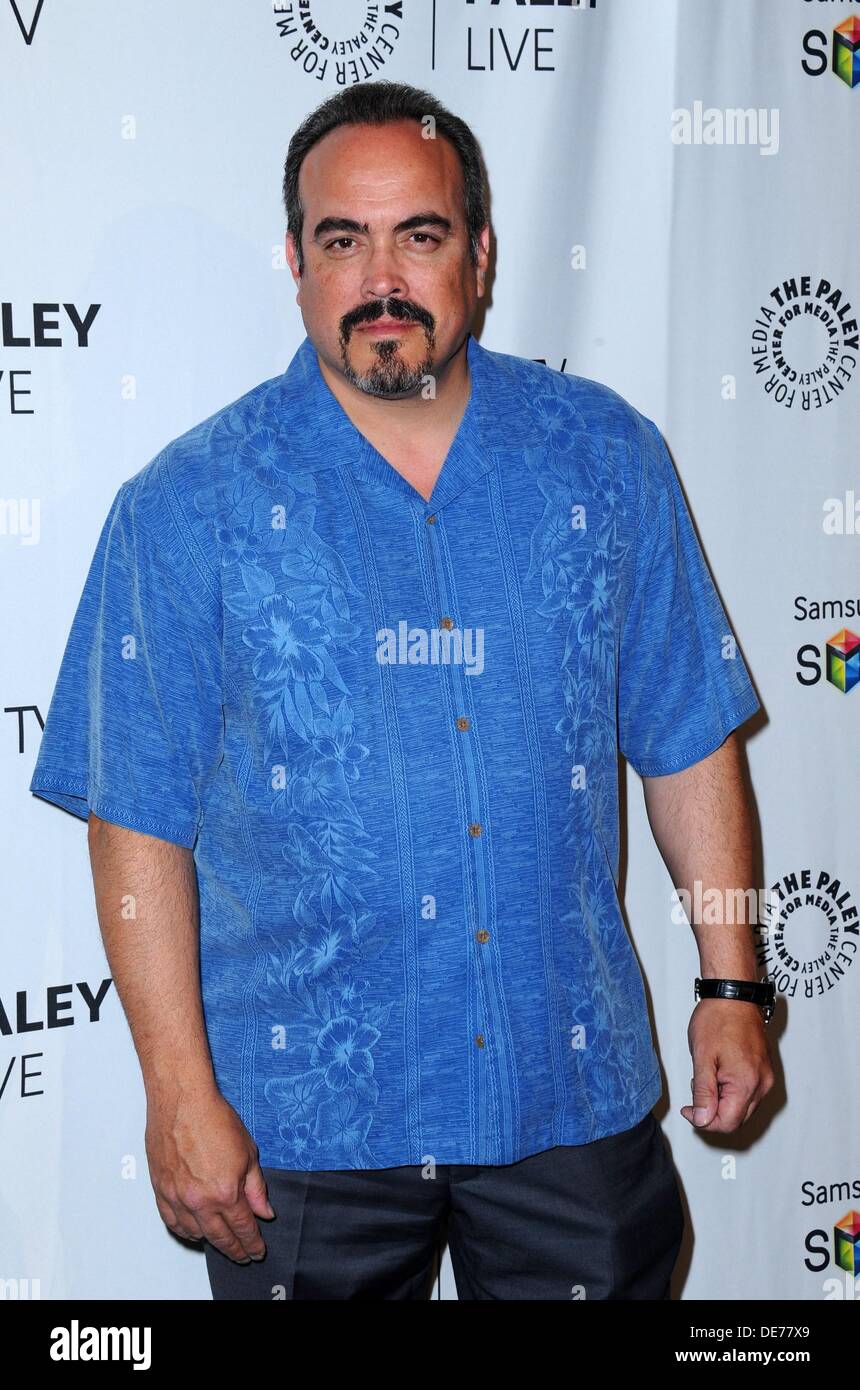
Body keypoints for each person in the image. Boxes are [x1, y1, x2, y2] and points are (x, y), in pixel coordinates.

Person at [29, 79, 774, 1301]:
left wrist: (730, 978)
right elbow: (136, 818)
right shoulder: (186, 507)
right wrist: (176, 1094)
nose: (381, 275)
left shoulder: (606, 460)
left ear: (478, 255)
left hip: (565, 1098)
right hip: (299, 1136)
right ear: (296, 261)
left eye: (418, 235)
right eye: (342, 239)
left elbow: (688, 737)